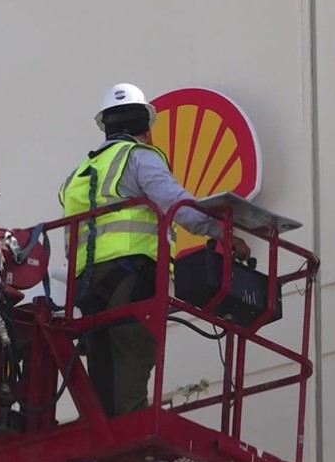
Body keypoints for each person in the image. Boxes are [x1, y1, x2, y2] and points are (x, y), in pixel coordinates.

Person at [59, 82, 250, 418]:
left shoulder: (78, 175)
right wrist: (221, 233)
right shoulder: (139, 158)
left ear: (106, 127)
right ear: (146, 129)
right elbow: (178, 204)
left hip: (86, 291)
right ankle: (131, 458)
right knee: (132, 365)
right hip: (131, 281)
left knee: (103, 380)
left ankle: (97, 457)